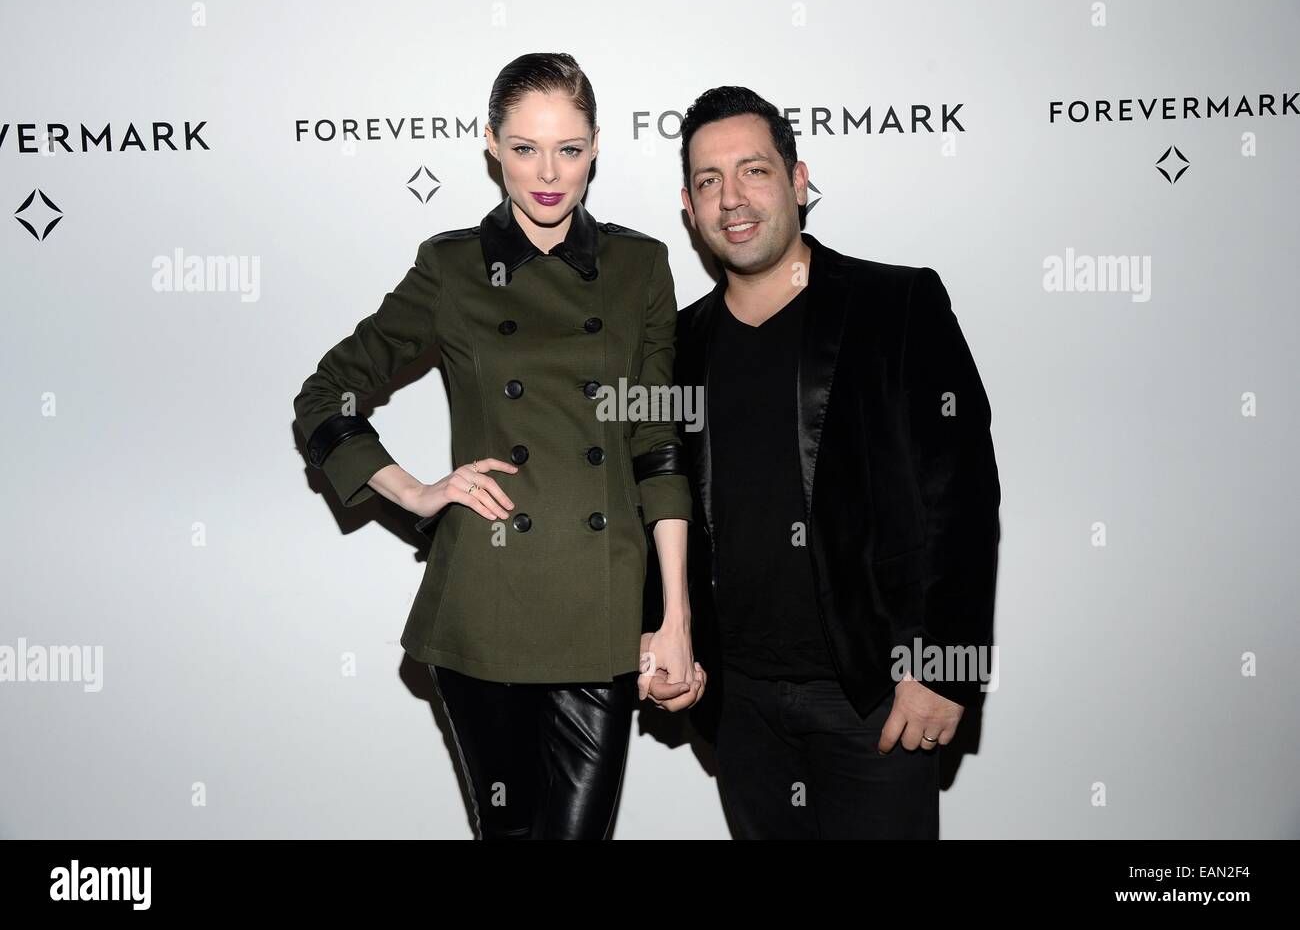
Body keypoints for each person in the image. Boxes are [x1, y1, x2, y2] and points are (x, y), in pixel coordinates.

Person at [292, 52, 705, 840]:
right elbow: (325, 396)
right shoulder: (452, 268)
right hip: (487, 602)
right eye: (524, 148)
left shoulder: (639, 266)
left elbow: (658, 442)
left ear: (596, 146)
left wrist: (675, 613)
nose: (548, 173)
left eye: (569, 148)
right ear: (490, 145)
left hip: (604, 605)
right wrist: (415, 492)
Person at [645, 86, 1001, 839]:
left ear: (799, 182)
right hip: (738, 705)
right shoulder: (675, 346)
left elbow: (962, 497)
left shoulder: (896, 304)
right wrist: (660, 634)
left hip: (874, 697)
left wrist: (945, 667)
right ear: (689, 206)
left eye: (754, 171)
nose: (732, 198)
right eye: (709, 181)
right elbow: (657, 499)